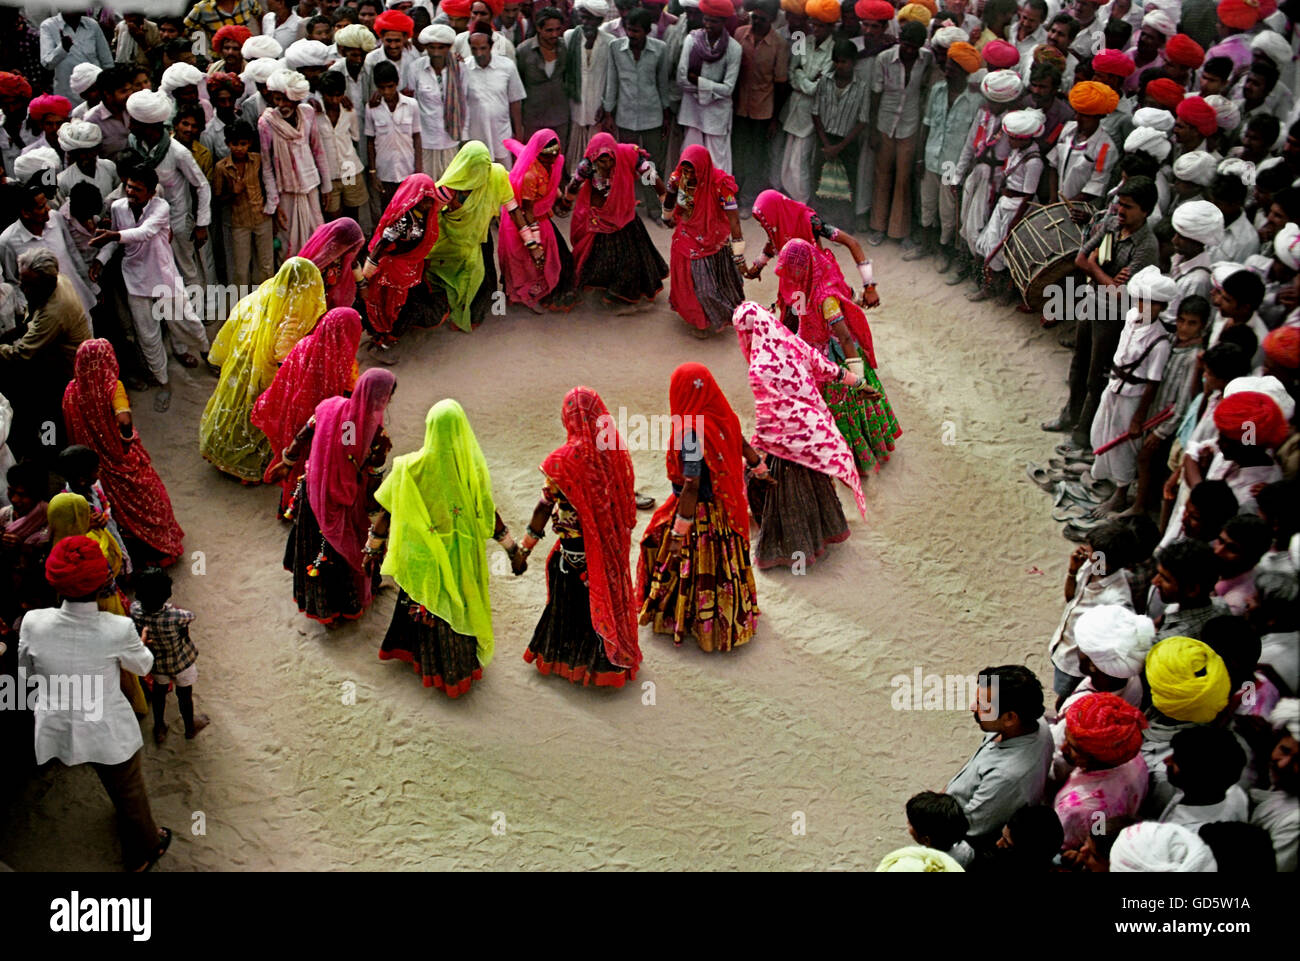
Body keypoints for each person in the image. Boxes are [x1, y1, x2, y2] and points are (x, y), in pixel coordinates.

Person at [18, 535, 171, 872]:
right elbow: (144, 666)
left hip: (56, 725)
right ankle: (146, 850)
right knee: (129, 790)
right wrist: (140, 641)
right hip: (105, 732)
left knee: (109, 776)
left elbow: (26, 672)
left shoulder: (32, 623)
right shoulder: (117, 628)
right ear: (103, 582)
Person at [370, 399, 524, 698]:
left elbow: (386, 515)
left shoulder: (407, 469)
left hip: (420, 560)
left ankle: (420, 659)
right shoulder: (471, 473)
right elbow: (490, 517)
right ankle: (455, 671)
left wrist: (373, 550)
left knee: (422, 604)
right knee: (457, 610)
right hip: (460, 561)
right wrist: (512, 549)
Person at [518, 386, 642, 687]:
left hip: (574, 557)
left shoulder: (562, 463)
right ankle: (606, 662)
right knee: (600, 603)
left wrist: (525, 547)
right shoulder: (613, 454)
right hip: (607, 552)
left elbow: (545, 506)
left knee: (569, 606)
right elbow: (624, 503)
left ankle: (567, 662)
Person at [732, 302, 869, 569]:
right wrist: (860, 383)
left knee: (785, 498)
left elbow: (768, 418)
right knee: (816, 487)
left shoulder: (759, 368)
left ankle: (795, 550)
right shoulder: (792, 343)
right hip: (812, 434)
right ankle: (827, 533)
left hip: (785, 446)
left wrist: (757, 456)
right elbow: (828, 369)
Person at [637, 363, 760, 653]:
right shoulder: (720, 414)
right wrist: (758, 465)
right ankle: (731, 621)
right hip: (722, 507)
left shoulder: (690, 432)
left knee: (689, 567)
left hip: (698, 515)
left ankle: (694, 625)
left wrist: (679, 532)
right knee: (725, 570)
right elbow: (739, 441)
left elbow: (691, 483)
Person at [270, 368, 396, 624]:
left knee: (316, 551)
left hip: (314, 494)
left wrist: (287, 460)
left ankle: (321, 608)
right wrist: (376, 517)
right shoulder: (375, 435)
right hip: (345, 503)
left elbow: (306, 433)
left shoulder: (329, 407)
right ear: (381, 398)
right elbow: (370, 479)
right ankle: (346, 607)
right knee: (344, 556)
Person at [1042, 177, 1159, 450]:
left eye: (1128, 207)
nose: (1120, 210)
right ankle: (1070, 415)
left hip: (1114, 317)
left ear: (1145, 211)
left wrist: (1096, 271)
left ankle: (1083, 434)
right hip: (1093, 304)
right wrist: (1105, 277)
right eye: (1120, 204)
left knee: (1097, 376)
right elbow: (1080, 259)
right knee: (1079, 365)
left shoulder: (1147, 247)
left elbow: (1123, 292)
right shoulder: (1111, 224)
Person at [89, 165, 212, 413]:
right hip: (135, 277)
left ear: (151, 193)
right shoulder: (118, 208)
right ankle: (164, 382)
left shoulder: (160, 208)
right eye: (129, 187)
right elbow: (115, 242)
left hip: (162, 273)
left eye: (138, 189)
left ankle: (208, 355)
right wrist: (100, 260)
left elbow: (143, 233)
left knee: (185, 319)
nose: (131, 192)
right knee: (147, 334)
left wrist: (113, 236)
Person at [775, 238, 899, 473]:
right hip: (812, 352)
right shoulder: (805, 285)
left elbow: (843, 338)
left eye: (792, 270)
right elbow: (801, 317)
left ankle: (851, 458)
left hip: (835, 360)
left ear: (803, 267)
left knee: (842, 410)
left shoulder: (826, 299)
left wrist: (858, 379)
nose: (789, 276)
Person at [199, 257, 327, 482]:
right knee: (255, 415)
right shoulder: (293, 313)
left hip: (242, 361)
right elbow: (282, 354)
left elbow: (237, 318)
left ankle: (218, 449)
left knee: (232, 404)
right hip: (264, 371)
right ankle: (241, 465)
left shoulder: (266, 292)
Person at [60, 340, 185, 568]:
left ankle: (136, 555)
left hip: (93, 463)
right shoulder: (112, 387)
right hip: (119, 458)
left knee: (114, 510)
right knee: (148, 499)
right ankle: (161, 549)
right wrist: (126, 441)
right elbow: (124, 419)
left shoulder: (70, 391)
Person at [250, 307, 362, 514]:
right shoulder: (347, 367)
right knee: (315, 470)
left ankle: (289, 506)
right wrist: (350, 447)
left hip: (295, 419)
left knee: (294, 464)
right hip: (321, 429)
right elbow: (349, 413)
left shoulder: (303, 346)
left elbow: (282, 383)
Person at [1087, 265, 1177, 515]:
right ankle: (1102, 473)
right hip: (1114, 385)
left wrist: (1139, 417)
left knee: (1123, 446)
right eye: (1142, 301)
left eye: (1152, 304)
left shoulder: (1159, 342)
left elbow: (1153, 383)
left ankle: (1120, 493)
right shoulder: (1130, 317)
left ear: (1162, 307)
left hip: (1132, 396)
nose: (1145, 307)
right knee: (1101, 431)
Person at [944, 665, 1055, 848]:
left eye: (983, 706)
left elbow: (968, 827)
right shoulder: (1035, 723)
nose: (973, 707)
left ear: (1010, 718)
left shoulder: (1007, 777)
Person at [0, 248, 93, 460]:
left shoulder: (54, 312)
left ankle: (53, 452)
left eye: (28, 285)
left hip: (65, 372)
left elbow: (20, 354)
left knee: (48, 414)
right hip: (56, 361)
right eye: (22, 282)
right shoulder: (58, 281)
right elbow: (30, 318)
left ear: (44, 283)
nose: (22, 288)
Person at [123, 89, 213, 301]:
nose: (129, 126)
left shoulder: (177, 152)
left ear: (149, 126)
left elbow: (202, 185)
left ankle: (200, 312)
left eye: (134, 122)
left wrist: (201, 224)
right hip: (149, 221)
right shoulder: (135, 144)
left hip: (177, 222)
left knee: (187, 270)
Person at [563, 132, 668, 309]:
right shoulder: (586, 165)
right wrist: (566, 203)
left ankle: (620, 296)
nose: (607, 165)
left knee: (630, 260)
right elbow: (574, 185)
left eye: (610, 160)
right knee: (598, 260)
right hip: (600, 219)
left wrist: (665, 198)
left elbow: (650, 175)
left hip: (625, 216)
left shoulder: (629, 155)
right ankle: (601, 290)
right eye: (602, 161)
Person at [425, 140, 515, 333]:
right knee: (461, 277)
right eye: (477, 168)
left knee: (484, 274)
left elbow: (511, 205)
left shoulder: (495, 175)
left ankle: (483, 308)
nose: (482, 173)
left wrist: (529, 238)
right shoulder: (447, 188)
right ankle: (464, 311)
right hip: (456, 240)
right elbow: (431, 217)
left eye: (485, 167)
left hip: (481, 235)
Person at [664, 144, 745, 337]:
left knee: (709, 289)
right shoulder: (677, 179)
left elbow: (734, 220)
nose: (690, 175)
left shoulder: (721, 186)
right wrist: (667, 217)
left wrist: (739, 255)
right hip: (686, 235)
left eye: (694, 171)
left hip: (713, 238)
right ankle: (700, 322)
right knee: (690, 286)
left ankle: (719, 316)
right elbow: (670, 198)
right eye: (686, 170)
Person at [746, 189, 877, 306]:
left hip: (821, 286)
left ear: (774, 212)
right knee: (796, 325)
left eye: (763, 221)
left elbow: (852, 242)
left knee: (834, 327)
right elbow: (772, 244)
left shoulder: (810, 222)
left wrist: (869, 288)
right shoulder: (778, 226)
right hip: (796, 289)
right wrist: (758, 266)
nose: (762, 225)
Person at [1053, 691, 1149, 850]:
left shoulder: (1079, 809)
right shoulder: (1128, 753)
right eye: (1066, 739)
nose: (1063, 749)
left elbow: (1061, 845)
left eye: (1074, 748)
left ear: (1097, 757)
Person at [362, 174, 447, 348]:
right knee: (393, 305)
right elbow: (382, 244)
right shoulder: (402, 219)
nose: (428, 204)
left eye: (430, 200)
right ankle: (386, 337)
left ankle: (392, 334)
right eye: (424, 200)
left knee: (408, 304)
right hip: (395, 270)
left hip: (410, 267)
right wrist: (367, 273)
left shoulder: (425, 216)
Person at [969, 107, 1046, 302]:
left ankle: (1007, 291)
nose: (1009, 142)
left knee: (1007, 252)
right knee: (987, 244)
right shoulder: (1016, 152)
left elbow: (1028, 195)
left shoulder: (1034, 162)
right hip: (1004, 204)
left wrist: (1015, 222)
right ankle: (988, 287)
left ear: (1024, 138)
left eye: (1013, 138)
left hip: (1018, 209)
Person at [867, 18, 932, 247]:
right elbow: (875, 95)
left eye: (914, 47)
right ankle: (877, 227)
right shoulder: (884, 59)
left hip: (909, 125)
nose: (909, 51)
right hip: (885, 123)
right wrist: (873, 130)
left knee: (903, 179)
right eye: (906, 45)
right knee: (882, 175)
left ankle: (900, 231)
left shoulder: (927, 59)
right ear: (899, 41)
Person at [603, 7, 673, 216]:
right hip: (625, 116)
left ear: (647, 31)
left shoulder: (659, 49)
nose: (631, 35)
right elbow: (612, 81)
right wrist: (608, 112)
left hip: (652, 115)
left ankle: (653, 206)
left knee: (650, 164)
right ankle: (627, 205)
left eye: (636, 31)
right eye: (629, 30)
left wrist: (666, 113)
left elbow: (663, 83)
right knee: (626, 163)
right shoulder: (615, 47)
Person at [499, 130, 577, 313]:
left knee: (561, 257)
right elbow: (527, 212)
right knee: (535, 263)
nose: (552, 158)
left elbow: (551, 186)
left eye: (555, 153)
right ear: (538, 153)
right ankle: (534, 296)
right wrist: (534, 244)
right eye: (547, 155)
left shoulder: (554, 162)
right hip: (529, 222)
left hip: (542, 216)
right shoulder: (530, 176)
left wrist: (562, 199)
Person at [130, 567, 209, 745]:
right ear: (167, 593)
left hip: (157, 665)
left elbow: (135, 613)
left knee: (159, 693)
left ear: (138, 594)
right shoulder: (176, 616)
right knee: (184, 695)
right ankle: (190, 727)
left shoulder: (135, 611)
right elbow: (191, 617)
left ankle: (159, 727)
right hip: (181, 663)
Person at [260, 69, 333, 256]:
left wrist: (326, 187)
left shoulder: (308, 113)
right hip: (286, 193)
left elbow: (318, 151)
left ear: (296, 99)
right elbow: (267, 167)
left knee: (317, 239)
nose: (282, 105)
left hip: (311, 188)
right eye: (277, 99)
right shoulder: (267, 123)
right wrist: (274, 203)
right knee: (289, 246)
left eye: (286, 100)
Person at [732, 0, 789, 209]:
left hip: (762, 110)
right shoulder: (739, 34)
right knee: (738, 152)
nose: (756, 22)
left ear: (772, 20)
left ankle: (748, 200)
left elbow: (781, 84)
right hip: (738, 108)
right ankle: (734, 196)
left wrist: (775, 118)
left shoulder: (780, 44)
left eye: (761, 19)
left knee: (756, 157)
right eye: (753, 17)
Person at [676, 0, 742, 175]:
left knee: (717, 161)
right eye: (706, 20)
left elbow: (728, 88)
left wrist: (698, 81)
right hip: (692, 110)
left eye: (714, 21)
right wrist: (710, 91)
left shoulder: (734, 48)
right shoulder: (691, 40)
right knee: (691, 159)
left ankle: (717, 200)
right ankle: (690, 199)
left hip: (718, 114)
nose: (708, 25)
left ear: (724, 22)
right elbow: (682, 80)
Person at [213, 119, 275, 287]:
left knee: (266, 265)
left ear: (250, 143)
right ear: (227, 144)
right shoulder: (222, 167)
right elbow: (218, 198)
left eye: (243, 144)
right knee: (240, 269)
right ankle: (243, 305)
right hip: (239, 222)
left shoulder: (258, 160)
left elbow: (268, 184)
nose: (239, 148)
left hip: (262, 217)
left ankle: (266, 300)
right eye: (234, 144)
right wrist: (232, 193)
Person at [1159, 724, 1249, 826]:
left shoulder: (1181, 830)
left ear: (1193, 780)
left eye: (1175, 761)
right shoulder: (1235, 793)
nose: (1165, 760)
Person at [463, 23, 526, 168]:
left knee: (504, 174)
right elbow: (461, 105)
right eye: (474, 49)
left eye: (483, 48)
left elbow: (515, 101)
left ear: (491, 46)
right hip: (476, 134)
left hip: (501, 132)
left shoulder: (507, 66)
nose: (479, 53)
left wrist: (518, 132)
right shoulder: (464, 68)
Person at [412, 24, 468, 182]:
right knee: (427, 186)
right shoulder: (415, 68)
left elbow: (465, 104)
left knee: (450, 186)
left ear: (449, 47)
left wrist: (464, 137)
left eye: (441, 48)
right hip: (426, 141)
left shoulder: (460, 69)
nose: (436, 52)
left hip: (452, 139)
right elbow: (412, 103)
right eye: (431, 47)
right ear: (426, 48)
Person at [564, 0, 615, 164]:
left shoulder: (610, 42)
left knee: (597, 150)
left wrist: (607, 107)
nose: (585, 22)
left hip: (598, 103)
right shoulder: (569, 36)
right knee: (574, 148)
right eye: (583, 18)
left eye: (590, 19)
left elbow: (611, 78)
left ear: (599, 20)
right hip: (575, 101)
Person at [39, 10, 113, 105]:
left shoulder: (92, 25)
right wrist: (63, 49)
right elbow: (47, 63)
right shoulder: (48, 26)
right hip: (67, 96)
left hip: (96, 94)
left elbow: (107, 62)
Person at [297, 217, 365, 311]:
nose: (355, 250)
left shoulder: (342, 254)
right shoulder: (319, 264)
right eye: (353, 247)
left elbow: (354, 264)